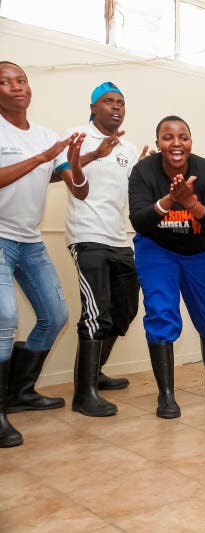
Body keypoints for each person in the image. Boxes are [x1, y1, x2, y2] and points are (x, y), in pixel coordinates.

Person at [129, 115, 205, 419]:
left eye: (183, 136)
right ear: (158, 143)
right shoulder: (143, 171)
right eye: (168, 137)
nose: (176, 143)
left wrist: (191, 202)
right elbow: (140, 221)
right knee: (161, 312)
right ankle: (166, 394)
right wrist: (171, 200)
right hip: (156, 250)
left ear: (191, 141)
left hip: (198, 251)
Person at [0, 61, 87, 447]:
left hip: (29, 240)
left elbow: (77, 188)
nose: (16, 86)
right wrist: (41, 157)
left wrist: (83, 160)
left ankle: (19, 392)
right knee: (5, 318)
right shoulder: (35, 143)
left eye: (21, 80)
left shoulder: (47, 135)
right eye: (5, 81)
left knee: (55, 315)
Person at [65, 82, 144, 417]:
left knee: (124, 310)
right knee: (96, 313)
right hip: (87, 237)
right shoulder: (76, 137)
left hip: (118, 238)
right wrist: (96, 154)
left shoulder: (126, 146)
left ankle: (94, 373)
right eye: (108, 102)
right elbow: (68, 176)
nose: (116, 107)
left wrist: (143, 169)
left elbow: (131, 191)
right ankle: (84, 395)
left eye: (121, 102)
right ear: (93, 107)